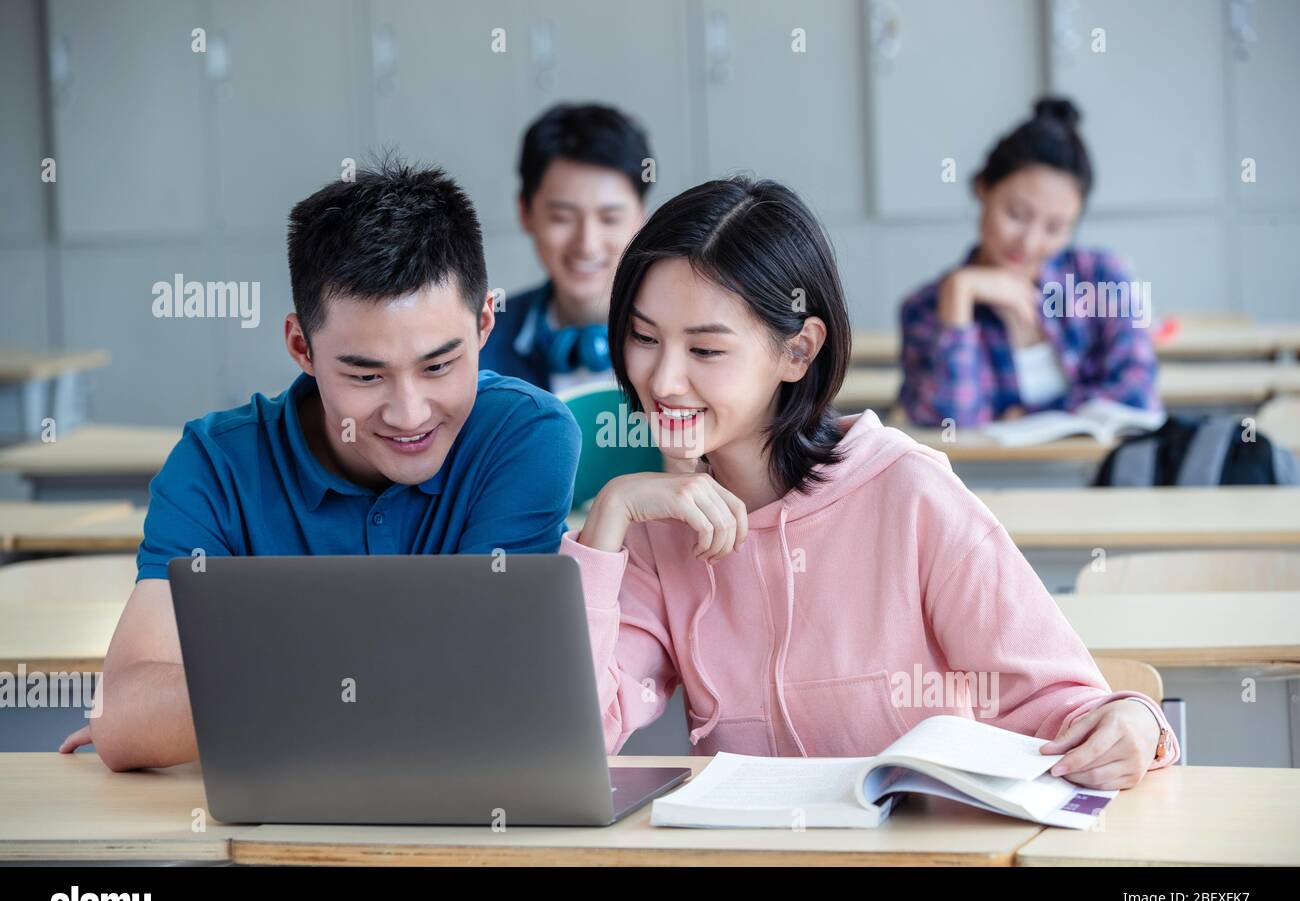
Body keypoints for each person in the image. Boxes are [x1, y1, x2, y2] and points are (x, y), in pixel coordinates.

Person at [561, 176, 1178, 790]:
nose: (664, 380)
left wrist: (1133, 721)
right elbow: (575, 739)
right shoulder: (657, 529)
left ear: (798, 351)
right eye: (644, 338)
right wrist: (609, 518)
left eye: (705, 350)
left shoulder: (908, 495)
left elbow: (1065, 704)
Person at [62, 160, 580, 771]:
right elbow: (126, 719)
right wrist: (398, 667)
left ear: (484, 324)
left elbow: (481, 692)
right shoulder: (215, 465)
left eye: (439, 366)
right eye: (365, 375)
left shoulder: (525, 435)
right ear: (301, 347)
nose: (409, 413)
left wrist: (251, 680)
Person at [898, 98, 1161, 427]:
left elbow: (1139, 395)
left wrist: (1027, 416)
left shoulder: (1103, 278)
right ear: (983, 188)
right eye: (1017, 215)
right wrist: (959, 294)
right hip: (975, 479)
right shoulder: (925, 308)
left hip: (1097, 475)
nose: (1030, 242)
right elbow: (948, 424)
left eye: (1055, 228)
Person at [480, 103, 651, 394]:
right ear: (525, 212)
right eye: (562, 218)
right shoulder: (480, 340)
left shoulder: (684, 344)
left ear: (640, 218)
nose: (587, 245)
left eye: (610, 218)